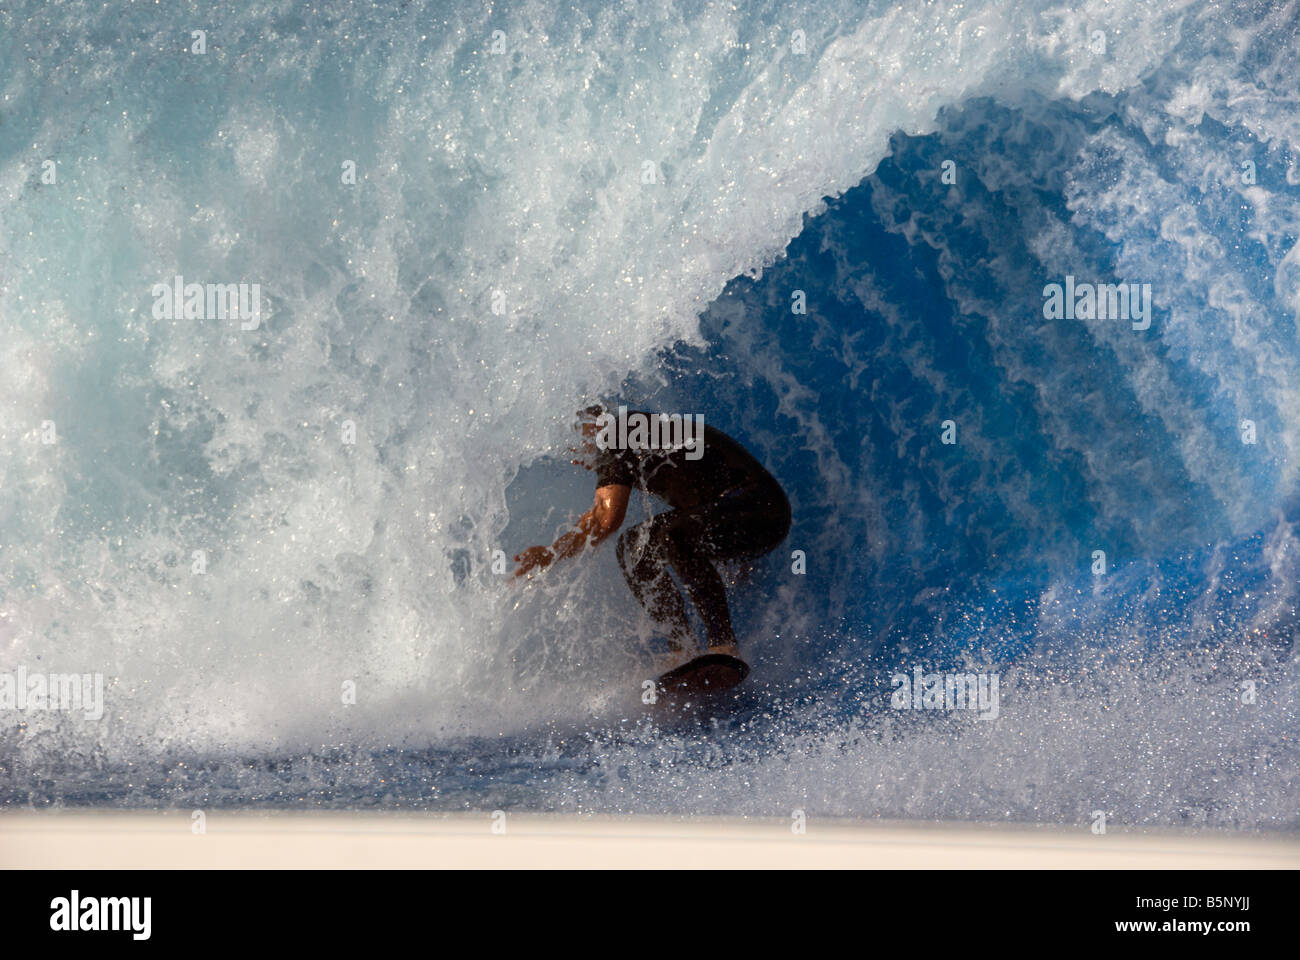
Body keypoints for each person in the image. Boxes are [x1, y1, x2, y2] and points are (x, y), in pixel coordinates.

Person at [513, 405, 791, 664]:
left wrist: (551, 555)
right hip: (752, 517)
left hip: (757, 511)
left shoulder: (616, 434)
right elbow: (599, 513)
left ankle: (723, 646)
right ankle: (683, 649)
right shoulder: (637, 433)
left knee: (669, 537)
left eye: (576, 445)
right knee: (636, 545)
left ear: (590, 427)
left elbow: (606, 519)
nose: (576, 458)